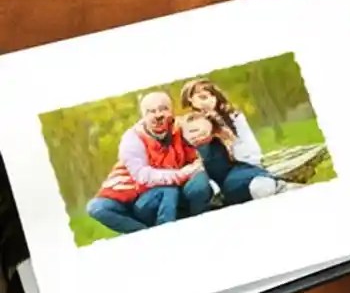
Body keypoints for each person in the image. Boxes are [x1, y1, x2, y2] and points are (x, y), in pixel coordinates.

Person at [86, 91, 212, 234]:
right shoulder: (132, 138)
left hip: (172, 190)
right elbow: (142, 176)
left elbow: (202, 124)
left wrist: (204, 130)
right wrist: (180, 174)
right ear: (143, 115)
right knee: (96, 208)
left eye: (163, 109)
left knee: (189, 185)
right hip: (139, 196)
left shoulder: (181, 126)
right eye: (151, 111)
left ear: (171, 111)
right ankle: (145, 233)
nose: (158, 115)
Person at [178, 111, 285, 204]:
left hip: (233, 171)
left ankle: (268, 182)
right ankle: (264, 186)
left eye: (204, 133)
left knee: (243, 178)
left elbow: (241, 155)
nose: (197, 137)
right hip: (220, 183)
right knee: (232, 187)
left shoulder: (218, 141)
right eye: (191, 132)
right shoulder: (184, 149)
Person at [179, 78, 263, 165]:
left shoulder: (233, 116)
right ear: (190, 100)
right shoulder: (189, 124)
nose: (208, 101)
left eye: (211, 96)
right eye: (202, 97)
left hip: (245, 163)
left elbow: (252, 150)